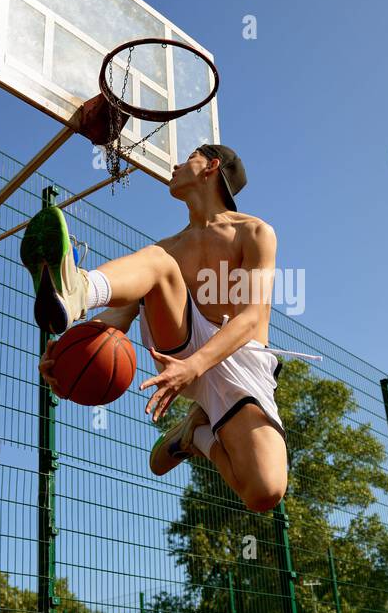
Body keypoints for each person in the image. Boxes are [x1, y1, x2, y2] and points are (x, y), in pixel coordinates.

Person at [21, 145, 288, 514]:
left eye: (188, 157)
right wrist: (64, 357)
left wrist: (194, 368)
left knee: (265, 492)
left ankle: (195, 434)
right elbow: (117, 321)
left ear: (211, 166)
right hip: (182, 350)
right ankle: (79, 289)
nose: (176, 165)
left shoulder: (255, 233)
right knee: (158, 262)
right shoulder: (168, 248)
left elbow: (252, 317)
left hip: (238, 361)